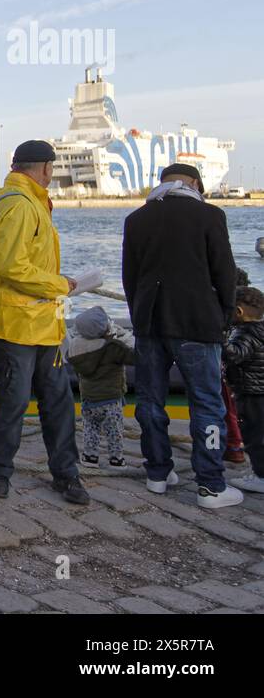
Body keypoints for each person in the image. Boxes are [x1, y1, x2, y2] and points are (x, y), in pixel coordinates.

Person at [122, 162, 241, 508]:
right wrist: (226, 315)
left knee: (149, 401)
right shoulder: (209, 216)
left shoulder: (136, 219)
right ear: (194, 183)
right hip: (197, 323)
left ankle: (157, 472)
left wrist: (139, 315)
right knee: (207, 404)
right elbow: (225, 271)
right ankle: (211, 484)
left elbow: (129, 275)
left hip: (149, 324)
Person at [0, 140, 88, 505]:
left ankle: (64, 472)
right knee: (14, 398)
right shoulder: (21, 205)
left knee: (54, 400)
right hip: (18, 322)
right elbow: (11, 266)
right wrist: (60, 285)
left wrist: (53, 287)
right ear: (44, 168)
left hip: (40, 319)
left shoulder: (24, 201)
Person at [65, 306, 136, 469]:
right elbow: (134, 356)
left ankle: (90, 457)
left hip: (89, 399)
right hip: (111, 400)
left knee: (91, 428)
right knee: (114, 431)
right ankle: (116, 459)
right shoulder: (112, 348)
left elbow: (69, 358)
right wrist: (123, 335)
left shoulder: (76, 351)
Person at [223, 286, 264, 493]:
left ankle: (260, 476)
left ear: (238, 312)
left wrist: (220, 340)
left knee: (253, 436)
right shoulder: (261, 329)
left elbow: (236, 354)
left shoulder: (247, 333)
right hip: (260, 390)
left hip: (251, 392)